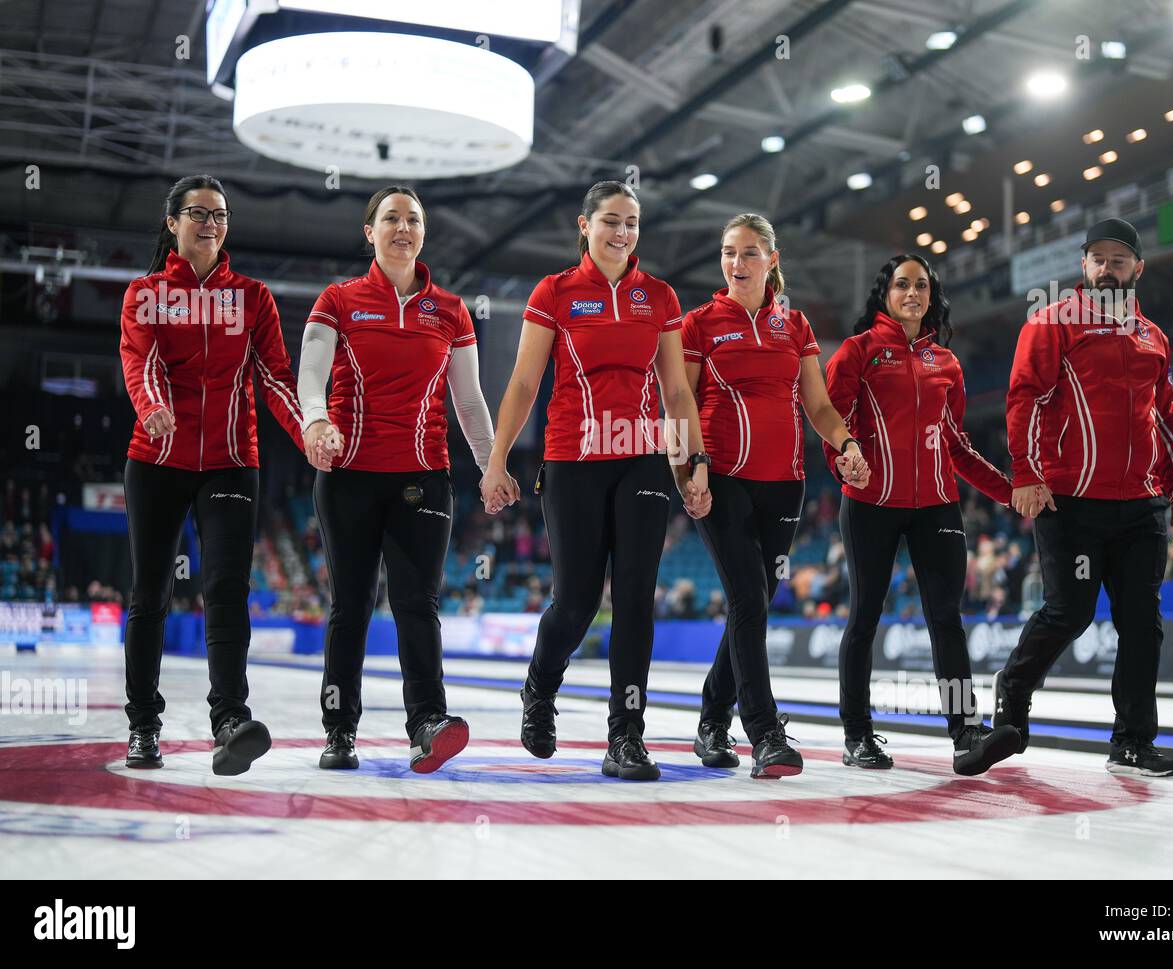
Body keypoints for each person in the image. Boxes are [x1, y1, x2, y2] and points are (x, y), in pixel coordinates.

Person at [480, 180, 711, 781]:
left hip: (641, 459)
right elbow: (526, 383)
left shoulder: (657, 296)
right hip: (572, 460)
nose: (623, 232)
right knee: (578, 601)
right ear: (584, 225)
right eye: (611, 220)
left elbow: (677, 390)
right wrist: (497, 459)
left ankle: (626, 736)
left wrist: (691, 463)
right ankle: (539, 687)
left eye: (632, 222)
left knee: (635, 600)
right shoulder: (554, 292)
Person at [297, 185, 496, 774]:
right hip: (349, 478)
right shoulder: (338, 300)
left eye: (413, 219)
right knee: (351, 605)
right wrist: (317, 420)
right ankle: (339, 731)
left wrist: (490, 466)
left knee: (418, 603)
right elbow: (310, 375)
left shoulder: (452, 310)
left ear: (423, 234)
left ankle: (427, 724)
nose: (403, 227)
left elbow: (469, 401)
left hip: (424, 481)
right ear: (370, 231)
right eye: (391, 218)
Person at [992, 218, 1173, 777]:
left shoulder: (1154, 336)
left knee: (1141, 621)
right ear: (1083, 266)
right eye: (1098, 259)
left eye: (1119, 260)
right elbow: (1024, 398)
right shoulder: (1052, 323)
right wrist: (1026, 473)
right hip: (1070, 501)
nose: (1107, 268)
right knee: (1069, 612)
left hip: (1143, 504)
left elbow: (1166, 417)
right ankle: (1013, 692)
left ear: (1138, 269)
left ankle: (1131, 742)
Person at [119, 173, 304, 775]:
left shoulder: (252, 297)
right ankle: (143, 725)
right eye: (198, 212)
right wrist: (154, 410)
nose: (211, 223)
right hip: (156, 460)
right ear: (172, 222)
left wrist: (310, 430)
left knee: (226, 588)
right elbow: (140, 361)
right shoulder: (144, 294)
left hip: (231, 462)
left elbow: (276, 376)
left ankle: (229, 720)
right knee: (151, 593)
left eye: (220, 215)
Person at [680, 213, 869, 779]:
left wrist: (847, 443)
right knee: (745, 598)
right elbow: (677, 401)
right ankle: (763, 732)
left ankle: (712, 719)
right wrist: (688, 470)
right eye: (728, 252)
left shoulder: (796, 324)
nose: (736, 264)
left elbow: (818, 405)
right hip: (721, 478)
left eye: (748, 253)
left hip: (785, 482)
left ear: (771, 261)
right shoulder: (700, 324)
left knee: (754, 602)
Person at [824, 253, 1021, 776]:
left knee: (946, 618)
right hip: (871, 504)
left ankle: (965, 735)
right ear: (885, 293)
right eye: (902, 284)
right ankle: (857, 734)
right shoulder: (857, 352)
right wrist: (846, 463)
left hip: (937, 503)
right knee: (864, 617)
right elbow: (831, 423)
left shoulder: (946, 364)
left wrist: (1008, 490)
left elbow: (956, 444)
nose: (912, 293)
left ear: (932, 296)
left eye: (922, 286)